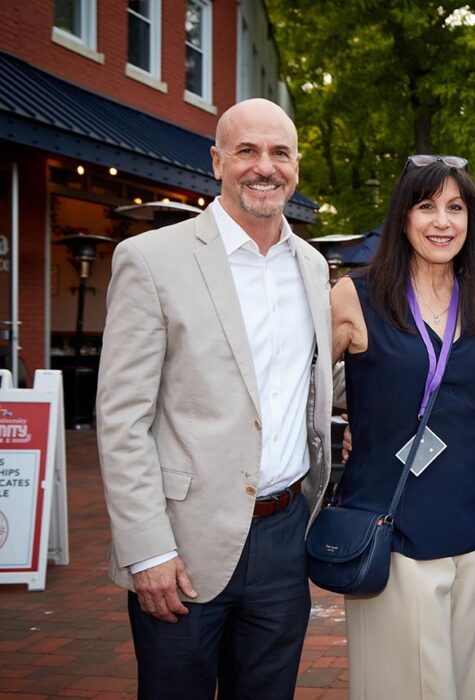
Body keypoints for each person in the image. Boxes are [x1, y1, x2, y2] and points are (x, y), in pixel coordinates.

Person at [96, 98, 333, 699]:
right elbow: (122, 420)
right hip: (184, 540)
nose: (264, 166)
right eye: (247, 150)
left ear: (296, 166)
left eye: (280, 152)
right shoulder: (152, 259)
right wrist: (147, 548)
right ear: (217, 161)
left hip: (284, 538)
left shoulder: (309, 266)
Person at [329, 155, 475, 699]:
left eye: (455, 208)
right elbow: (300, 395)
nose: (442, 221)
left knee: (470, 683)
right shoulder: (353, 297)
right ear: (402, 217)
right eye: (426, 206)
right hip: (391, 527)